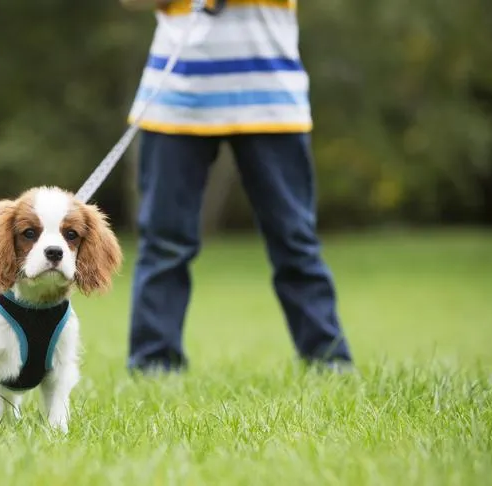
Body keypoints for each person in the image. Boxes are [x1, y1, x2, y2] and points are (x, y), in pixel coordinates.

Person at [120, 0, 353, 373]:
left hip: (272, 100)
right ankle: (154, 365)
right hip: (175, 100)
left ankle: (329, 361)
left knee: (294, 241)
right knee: (162, 243)